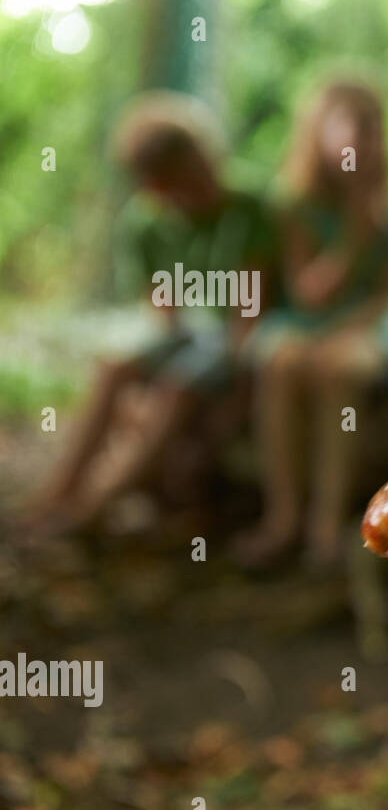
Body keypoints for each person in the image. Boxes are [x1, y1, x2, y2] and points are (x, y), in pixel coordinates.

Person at [20, 92, 276, 535]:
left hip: (234, 337)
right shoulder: (145, 223)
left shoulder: (247, 209)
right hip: (187, 334)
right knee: (115, 367)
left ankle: (97, 505)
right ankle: (56, 491)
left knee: (179, 387)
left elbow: (248, 312)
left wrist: (230, 379)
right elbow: (163, 314)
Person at [232, 78, 388, 569]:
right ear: (316, 132)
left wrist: (367, 217)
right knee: (281, 360)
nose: (359, 139)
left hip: (364, 328)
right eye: (346, 125)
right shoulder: (291, 205)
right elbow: (310, 293)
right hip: (301, 322)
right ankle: (283, 518)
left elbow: (382, 299)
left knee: (342, 370)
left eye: (370, 127)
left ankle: (326, 526)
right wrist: (355, 231)